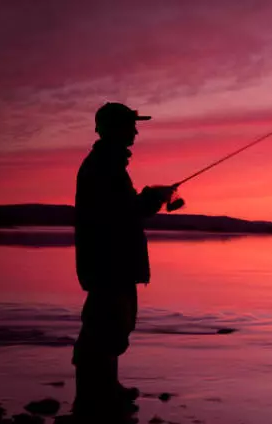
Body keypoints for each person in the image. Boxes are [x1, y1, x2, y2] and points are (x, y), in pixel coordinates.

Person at [72, 102, 181, 419]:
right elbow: (120, 214)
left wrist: (151, 196)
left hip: (110, 261)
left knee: (113, 327)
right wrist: (153, 198)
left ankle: (105, 387)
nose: (135, 131)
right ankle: (92, 398)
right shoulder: (104, 165)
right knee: (104, 328)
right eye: (130, 125)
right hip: (109, 262)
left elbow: (121, 210)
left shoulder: (109, 163)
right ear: (113, 128)